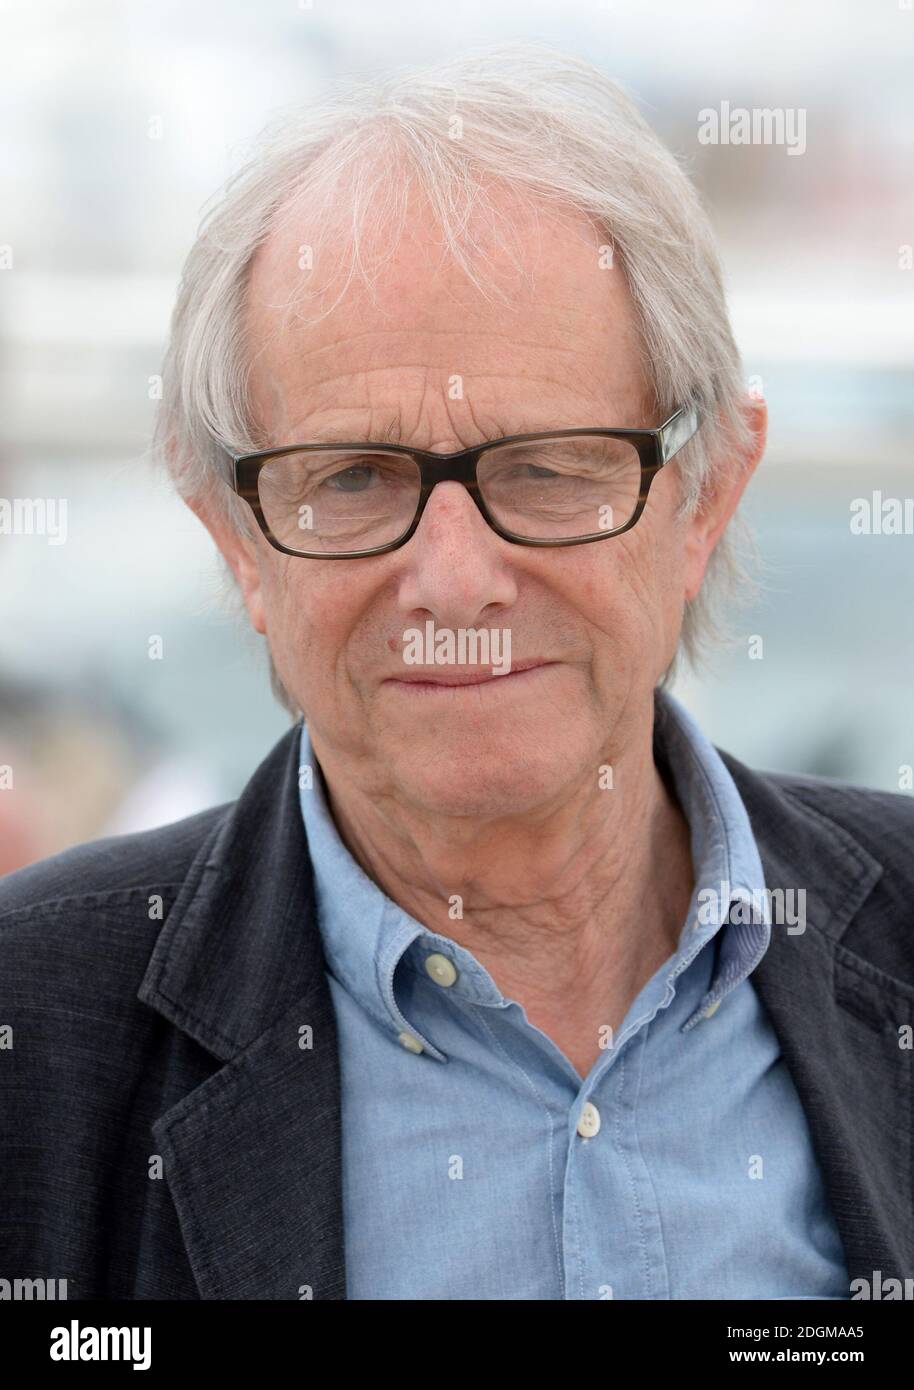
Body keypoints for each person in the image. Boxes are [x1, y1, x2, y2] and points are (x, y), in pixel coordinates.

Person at [1, 42, 911, 1301]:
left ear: (703, 497)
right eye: (354, 477)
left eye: (544, 467)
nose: (454, 580)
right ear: (235, 541)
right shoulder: (32, 1038)